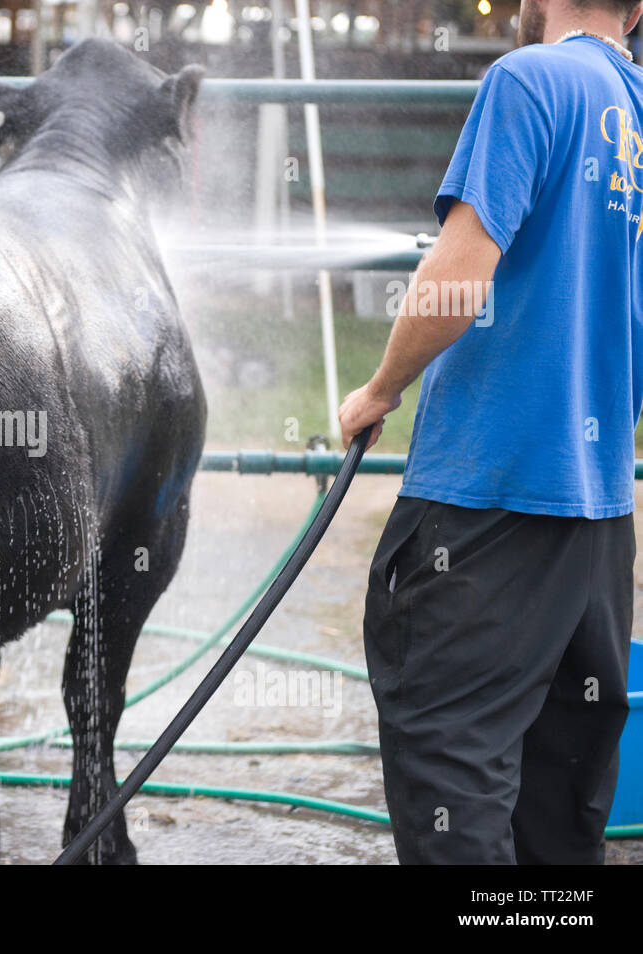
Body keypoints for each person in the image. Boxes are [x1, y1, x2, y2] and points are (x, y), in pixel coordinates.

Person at [338, 0, 643, 864]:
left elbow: (454, 282)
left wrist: (378, 389)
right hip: (598, 526)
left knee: (452, 773)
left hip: (485, 506)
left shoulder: (529, 82)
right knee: (557, 802)